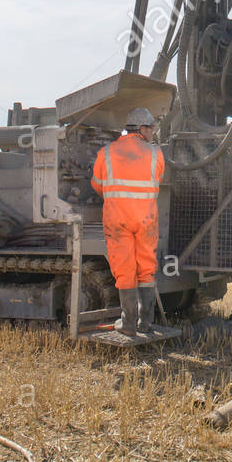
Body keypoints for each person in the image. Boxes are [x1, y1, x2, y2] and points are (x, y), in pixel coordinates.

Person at [91, 107, 164, 338]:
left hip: (118, 219)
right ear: (141, 129)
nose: (152, 131)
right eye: (151, 128)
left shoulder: (107, 152)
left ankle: (128, 323)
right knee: (147, 268)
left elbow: (97, 184)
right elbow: (157, 182)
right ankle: (145, 322)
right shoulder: (156, 154)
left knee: (124, 269)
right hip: (146, 220)